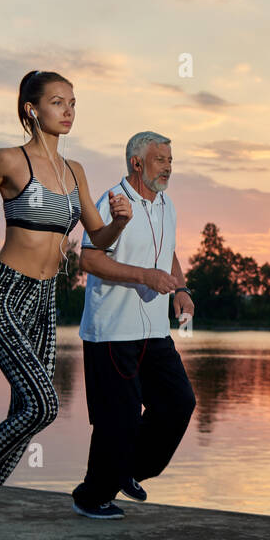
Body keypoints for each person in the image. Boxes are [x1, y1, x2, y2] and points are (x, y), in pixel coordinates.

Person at [0, 70, 132, 540]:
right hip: (3, 295)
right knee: (43, 405)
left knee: (24, 412)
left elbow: (97, 239)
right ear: (31, 108)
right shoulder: (8, 160)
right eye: (57, 101)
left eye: (73, 102)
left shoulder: (75, 172)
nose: (68, 110)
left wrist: (119, 222)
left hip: (44, 303)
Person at [70, 131, 197, 518]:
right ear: (137, 163)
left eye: (171, 160)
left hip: (155, 331)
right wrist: (145, 276)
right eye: (162, 160)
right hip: (112, 330)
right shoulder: (114, 202)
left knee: (178, 403)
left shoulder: (166, 205)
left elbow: (168, 249)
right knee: (118, 419)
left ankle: (127, 470)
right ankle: (92, 496)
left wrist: (181, 289)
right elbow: (88, 260)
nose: (169, 168)